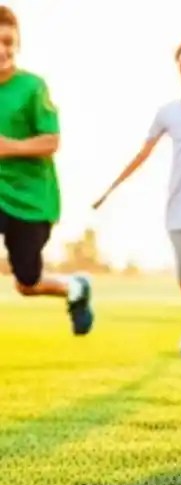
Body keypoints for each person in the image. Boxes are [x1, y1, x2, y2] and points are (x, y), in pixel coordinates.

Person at [94, 43, 181, 357]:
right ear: (180, 70)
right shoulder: (169, 113)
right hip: (180, 206)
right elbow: (143, 154)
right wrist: (110, 190)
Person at [0, 5, 93, 335]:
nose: (2, 50)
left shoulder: (32, 88)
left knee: (27, 282)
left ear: (18, 44)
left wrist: (8, 147)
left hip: (32, 201)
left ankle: (75, 288)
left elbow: (52, 141)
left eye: (8, 42)